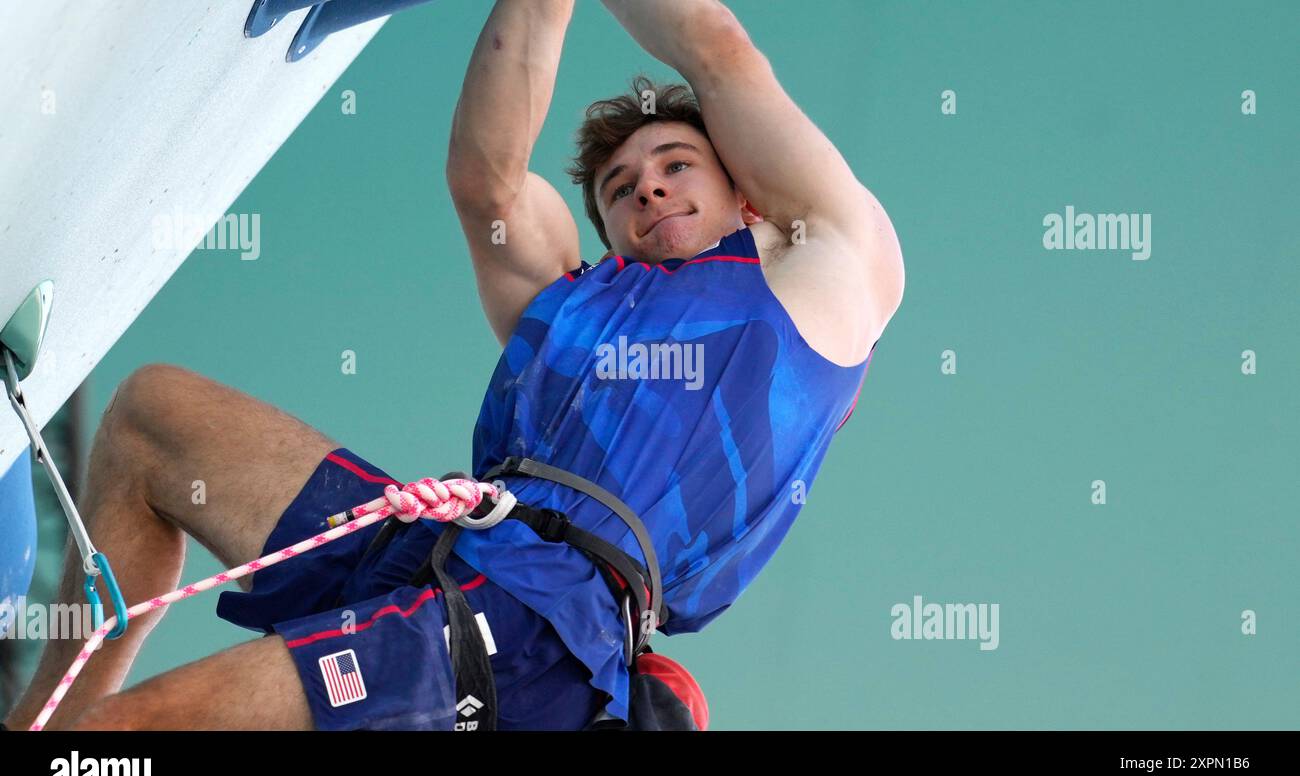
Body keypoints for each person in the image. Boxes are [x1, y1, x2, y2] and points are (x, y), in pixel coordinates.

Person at [2, 0, 902, 731]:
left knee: (125, 748)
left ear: (746, 191)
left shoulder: (822, 277)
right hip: (446, 546)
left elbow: (717, 50)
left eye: (676, 165)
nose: (650, 188)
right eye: (622, 189)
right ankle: (40, 720)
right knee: (150, 417)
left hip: (539, 633)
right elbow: (489, 183)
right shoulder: (574, 312)